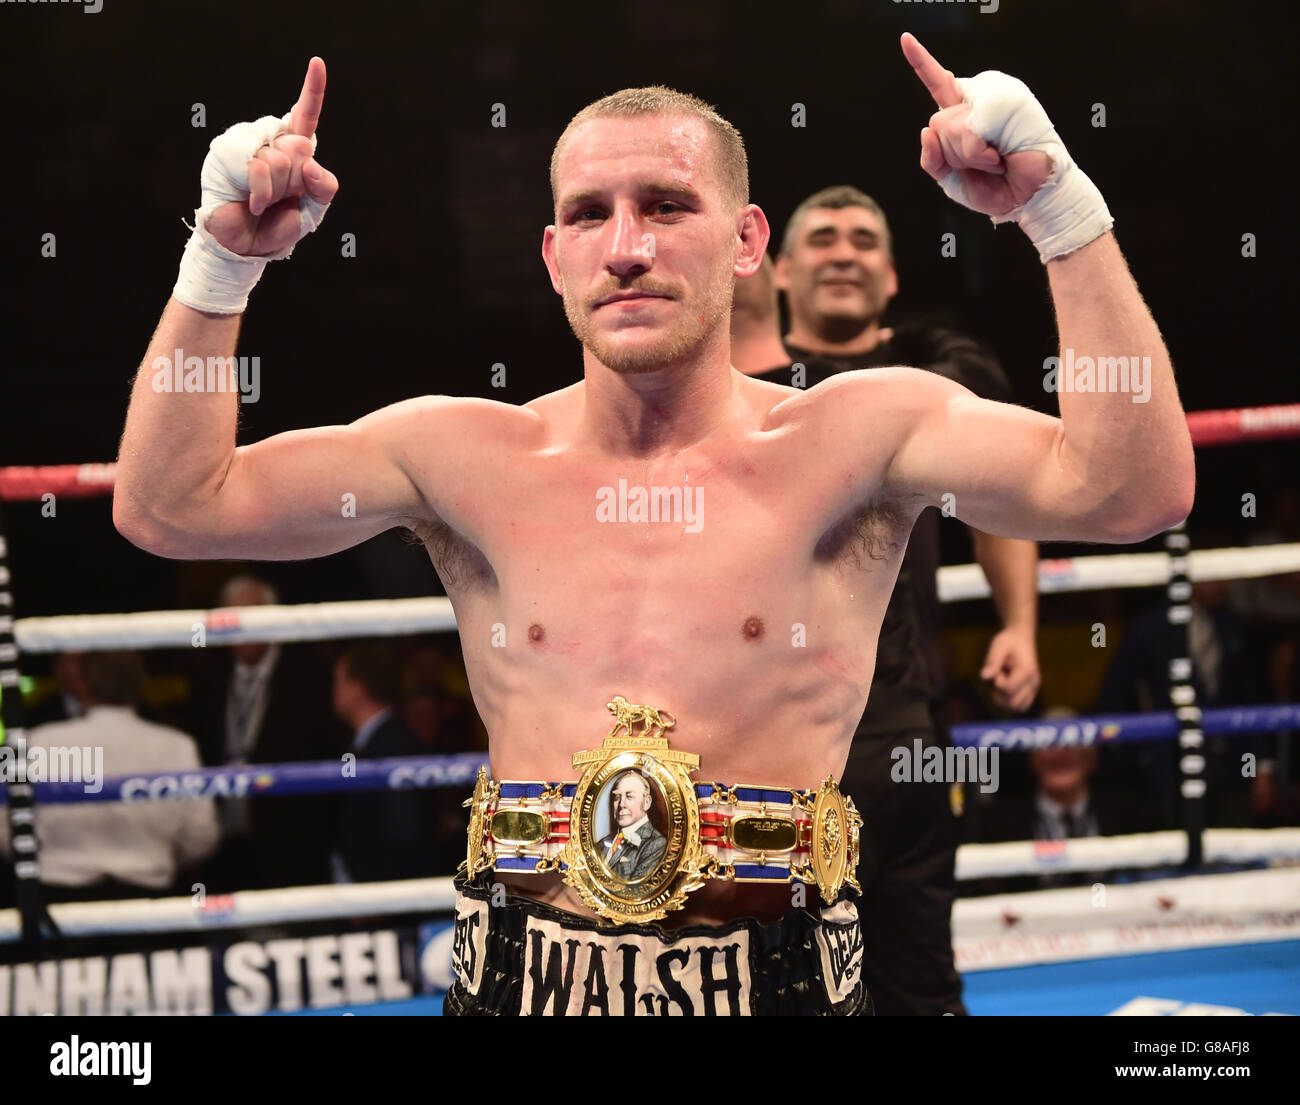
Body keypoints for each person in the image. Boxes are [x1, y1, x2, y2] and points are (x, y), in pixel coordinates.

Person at [113, 37, 1195, 1015]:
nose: (624, 246)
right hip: (518, 982)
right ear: (551, 254)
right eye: (589, 214)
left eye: (667, 206)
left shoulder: (860, 430)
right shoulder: (459, 454)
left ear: (743, 239)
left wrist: (1059, 209)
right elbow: (170, 505)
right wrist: (223, 262)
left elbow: (1128, 490)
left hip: (780, 981)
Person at [732, 193, 1041, 1015]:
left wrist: (1019, 623)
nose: (844, 254)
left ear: (892, 273)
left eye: (865, 240)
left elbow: (998, 492)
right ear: (781, 269)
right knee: (777, 982)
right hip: (764, 741)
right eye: (822, 239)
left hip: (904, 726)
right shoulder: (734, 385)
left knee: (918, 973)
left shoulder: (934, 368)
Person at [0, 651, 219, 901]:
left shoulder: (28, 743)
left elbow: (6, 831)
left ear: (82, 684)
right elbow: (202, 836)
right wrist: (160, 858)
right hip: (148, 897)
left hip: (57, 896)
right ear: (143, 684)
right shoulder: (179, 745)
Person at [188, 574, 346, 890]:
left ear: (272, 619)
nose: (239, 628)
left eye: (250, 617)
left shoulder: (309, 674)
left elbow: (324, 758)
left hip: (291, 843)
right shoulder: (207, 674)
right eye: (231, 618)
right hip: (222, 845)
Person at [330, 641, 441, 882]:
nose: (334, 690)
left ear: (356, 688)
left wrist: (377, 895)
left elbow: (405, 830)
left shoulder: (394, 745)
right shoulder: (373, 742)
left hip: (387, 904)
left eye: (338, 681)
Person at [597, 770, 667, 880]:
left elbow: (637, 891)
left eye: (629, 797)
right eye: (617, 797)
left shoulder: (657, 844)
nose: (621, 804)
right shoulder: (602, 844)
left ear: (647, 802)